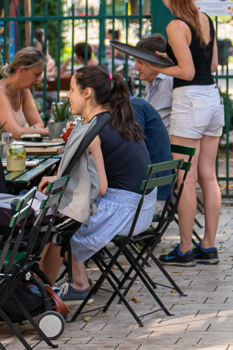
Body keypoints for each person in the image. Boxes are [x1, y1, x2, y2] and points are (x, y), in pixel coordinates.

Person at [40, 67, 155, 301]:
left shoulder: (94, 129)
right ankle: (66, 284)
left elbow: (100, 187)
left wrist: (61, 181)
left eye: (72, 89)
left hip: (124, 211)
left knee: (57, 220)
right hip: (143, 207)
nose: (68, 96)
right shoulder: (115, 117)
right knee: (63, 214)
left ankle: (55, 289)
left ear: (87, 93)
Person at [156, 0, 224, 267]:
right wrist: (170, 59)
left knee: (185, 176)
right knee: (207, 175)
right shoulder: (205, 19)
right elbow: (212, 64)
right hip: (212, 98)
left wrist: (157, 67)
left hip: (189, 100)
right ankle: (208, 246)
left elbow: (186, 72)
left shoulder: (175, 25)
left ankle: (184, 249)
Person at [135, 32, 176, 204]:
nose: (136, 68)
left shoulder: (168, 81)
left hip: (158, 154)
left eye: (140, 62)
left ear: (155, 61)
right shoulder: (152, 85)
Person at [0, 48, 49, 137]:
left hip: (12, 149)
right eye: (36, 74)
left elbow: (38, 123)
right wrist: (46, 131)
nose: (39, 79)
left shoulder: (23, 90)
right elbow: (15, 133)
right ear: (21, 71)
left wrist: (27, 131)